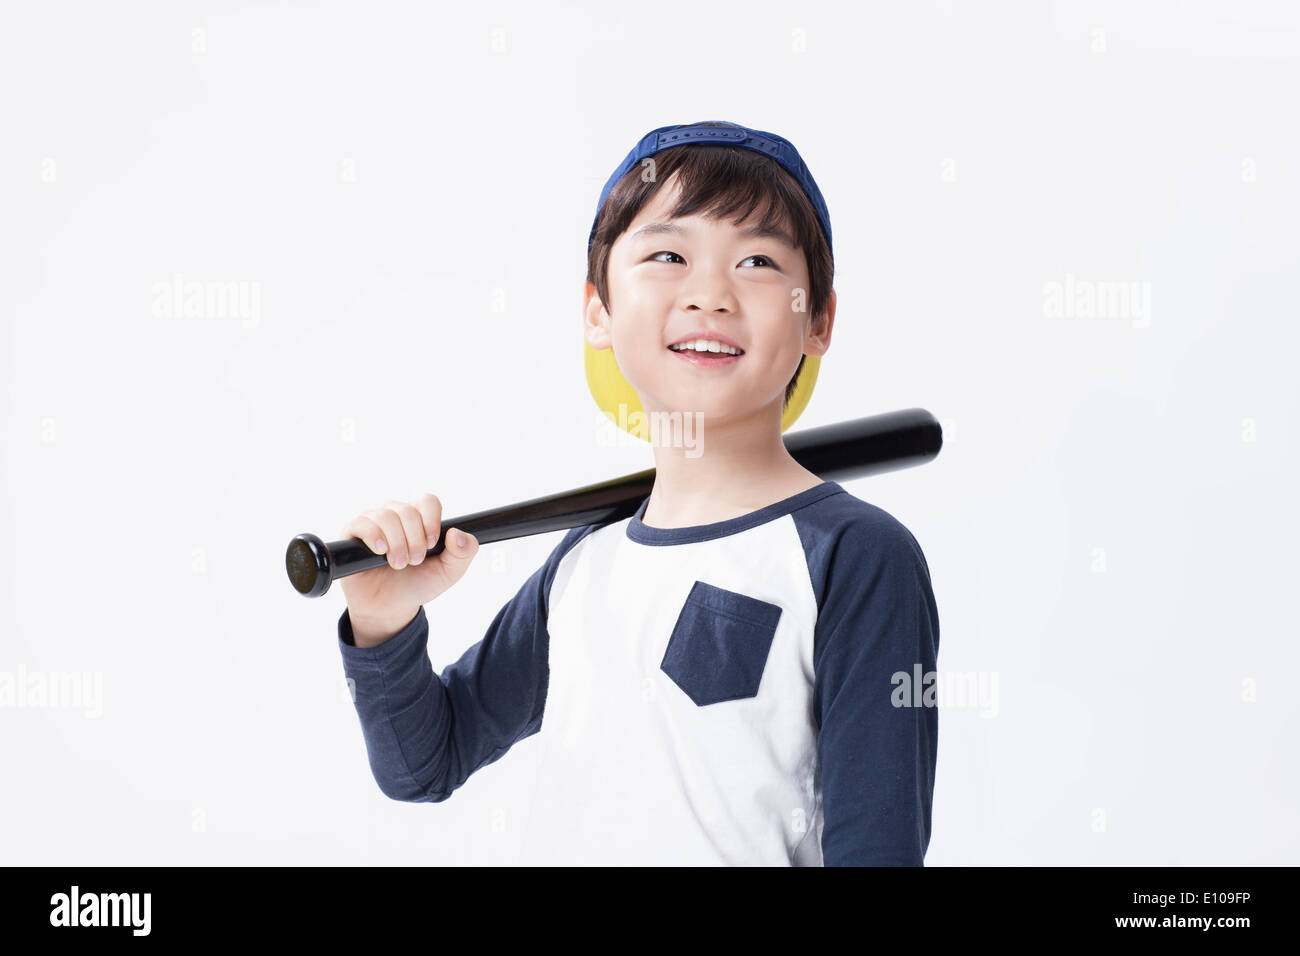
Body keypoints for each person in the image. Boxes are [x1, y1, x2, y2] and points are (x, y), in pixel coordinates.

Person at [334, 121, 941, 866]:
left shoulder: (856, 559)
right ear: (599, 312)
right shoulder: (586, 563)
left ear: (817, 319)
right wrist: (382, 628)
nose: (709, 295)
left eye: (756, 259)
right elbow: (425, 763)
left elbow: (878, 846)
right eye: (667, 255)